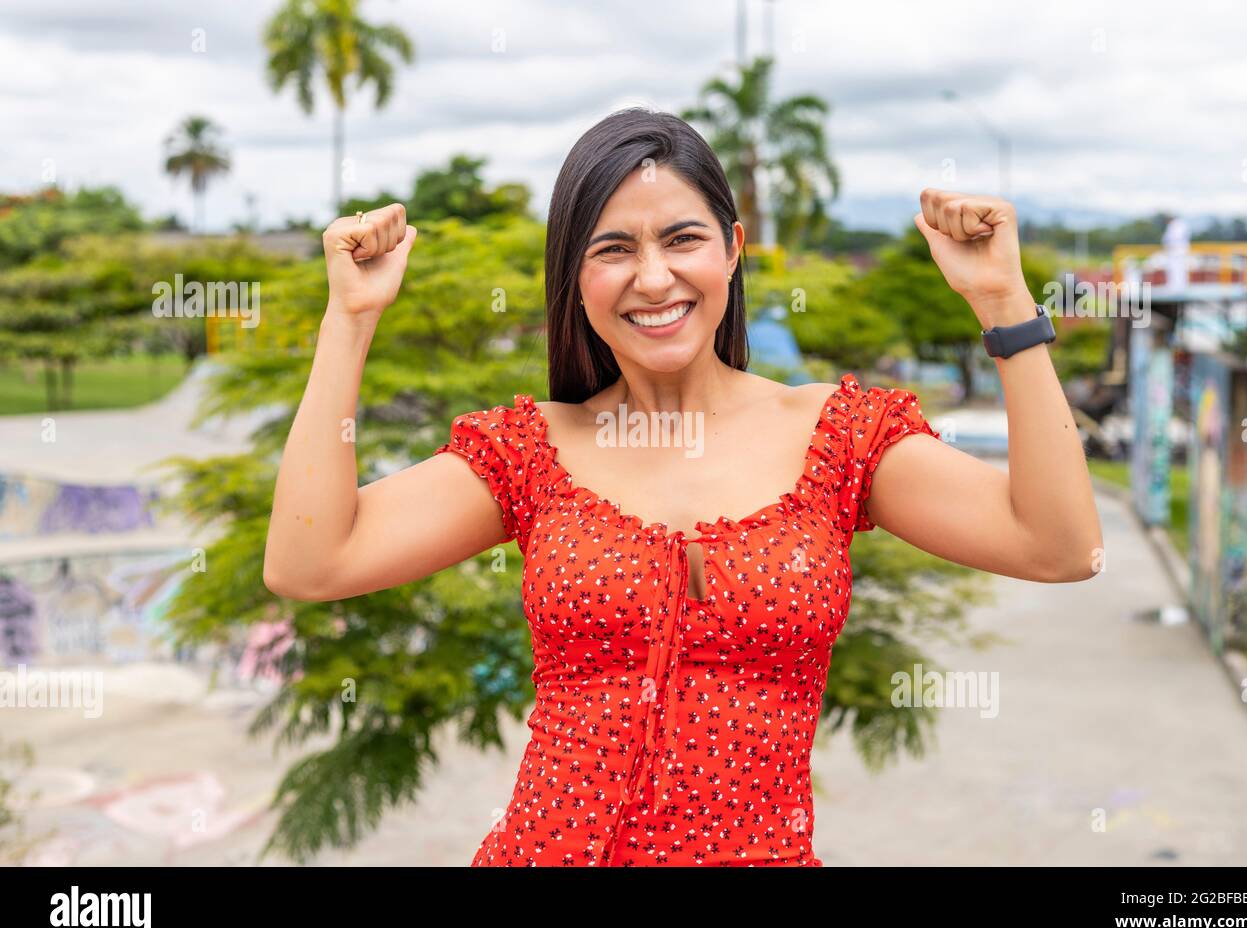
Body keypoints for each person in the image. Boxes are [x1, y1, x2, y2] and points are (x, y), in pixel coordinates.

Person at [263, 108, 1102, 866]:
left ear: (734, 251)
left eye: (683, 239)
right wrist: (350, 321)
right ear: (574, 277)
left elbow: (1060, 546)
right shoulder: (528, 453)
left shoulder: (841, 437)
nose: (654, 279)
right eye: (613, 249)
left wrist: (1002, 301)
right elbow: (310, 562)